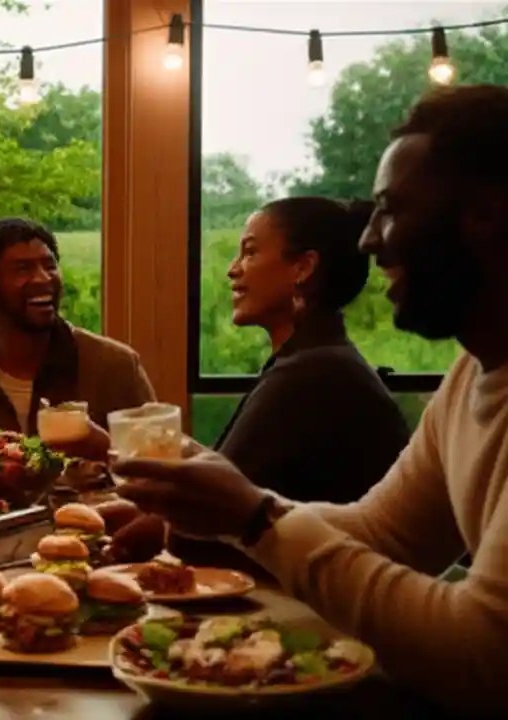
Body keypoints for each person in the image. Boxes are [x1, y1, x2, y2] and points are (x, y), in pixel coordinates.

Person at [114, 85, 508, 716]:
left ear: (486, 214)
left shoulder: (319, 373)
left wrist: (252, 519)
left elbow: (485, 659)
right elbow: (383, 533)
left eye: (390, 210)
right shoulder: (470, 371)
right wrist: (233, 508)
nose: (370, 241)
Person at [216, 197, 408, 502]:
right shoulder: (322, 361)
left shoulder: (312, 375)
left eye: (250, 252)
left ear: (303, 268)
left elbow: (213, 505)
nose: (233, 269)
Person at [0, 218, 154, 453]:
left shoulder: (115, 366)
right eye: (22, 269)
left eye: (49, 265)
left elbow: (160, 468)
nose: (43, 278)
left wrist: (103, 447)